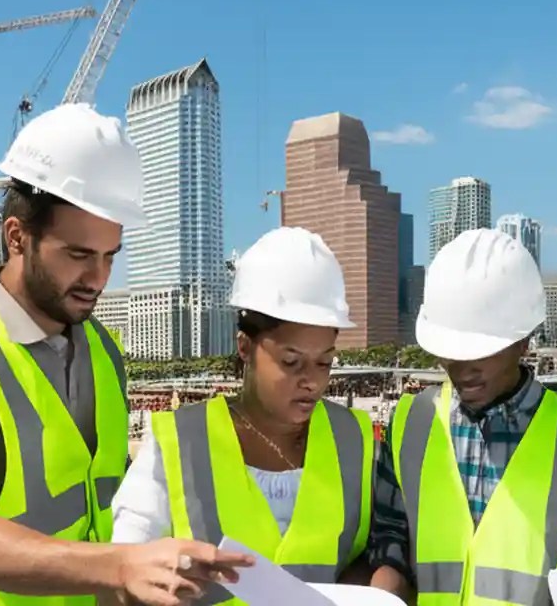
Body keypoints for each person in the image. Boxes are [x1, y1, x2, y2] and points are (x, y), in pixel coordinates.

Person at [0, 103, 252, 606]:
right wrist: (123, 567)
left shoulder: (103, 351)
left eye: (109, 257)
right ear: (17, 237)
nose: (98, 278)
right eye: (79, 255)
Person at [109, 227, 376, 603]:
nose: (312, 382)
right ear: (245, 347)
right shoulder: (180, 441)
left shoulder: (354, 437)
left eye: (324, 362)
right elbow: (124, 573)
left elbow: (372, 554)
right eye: (291, 361)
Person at [370, 228, 557, 605]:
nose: (461, 367)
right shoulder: (410, 422)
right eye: (450, 350)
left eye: (480, 351)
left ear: (524, 340)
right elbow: (389, 543)